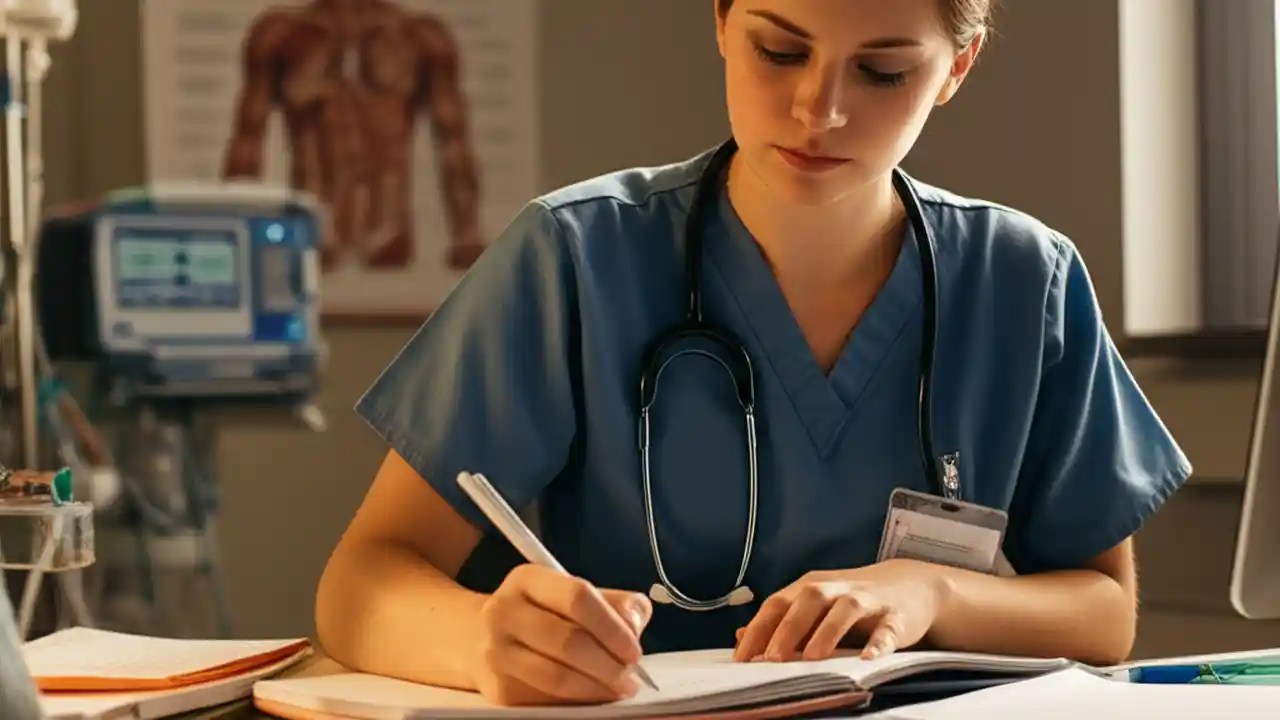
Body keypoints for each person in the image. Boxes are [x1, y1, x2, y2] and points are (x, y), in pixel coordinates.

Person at [316, 0, 1193, 707]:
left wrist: (929, 591)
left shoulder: (1021, 279)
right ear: (721, 22)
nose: (822, 109)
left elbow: (1103, 611)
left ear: (955, 71)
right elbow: (363, 581)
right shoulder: (577, 258)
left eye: (883, 71)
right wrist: (480, 644)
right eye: (780, 51)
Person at [222, 0, 485, 272]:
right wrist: (231, 235)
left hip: (390, 237)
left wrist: (467, 234)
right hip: (313, 232)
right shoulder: (282, 35)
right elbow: (248, 138)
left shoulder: (419, 36)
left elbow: (453, 140)